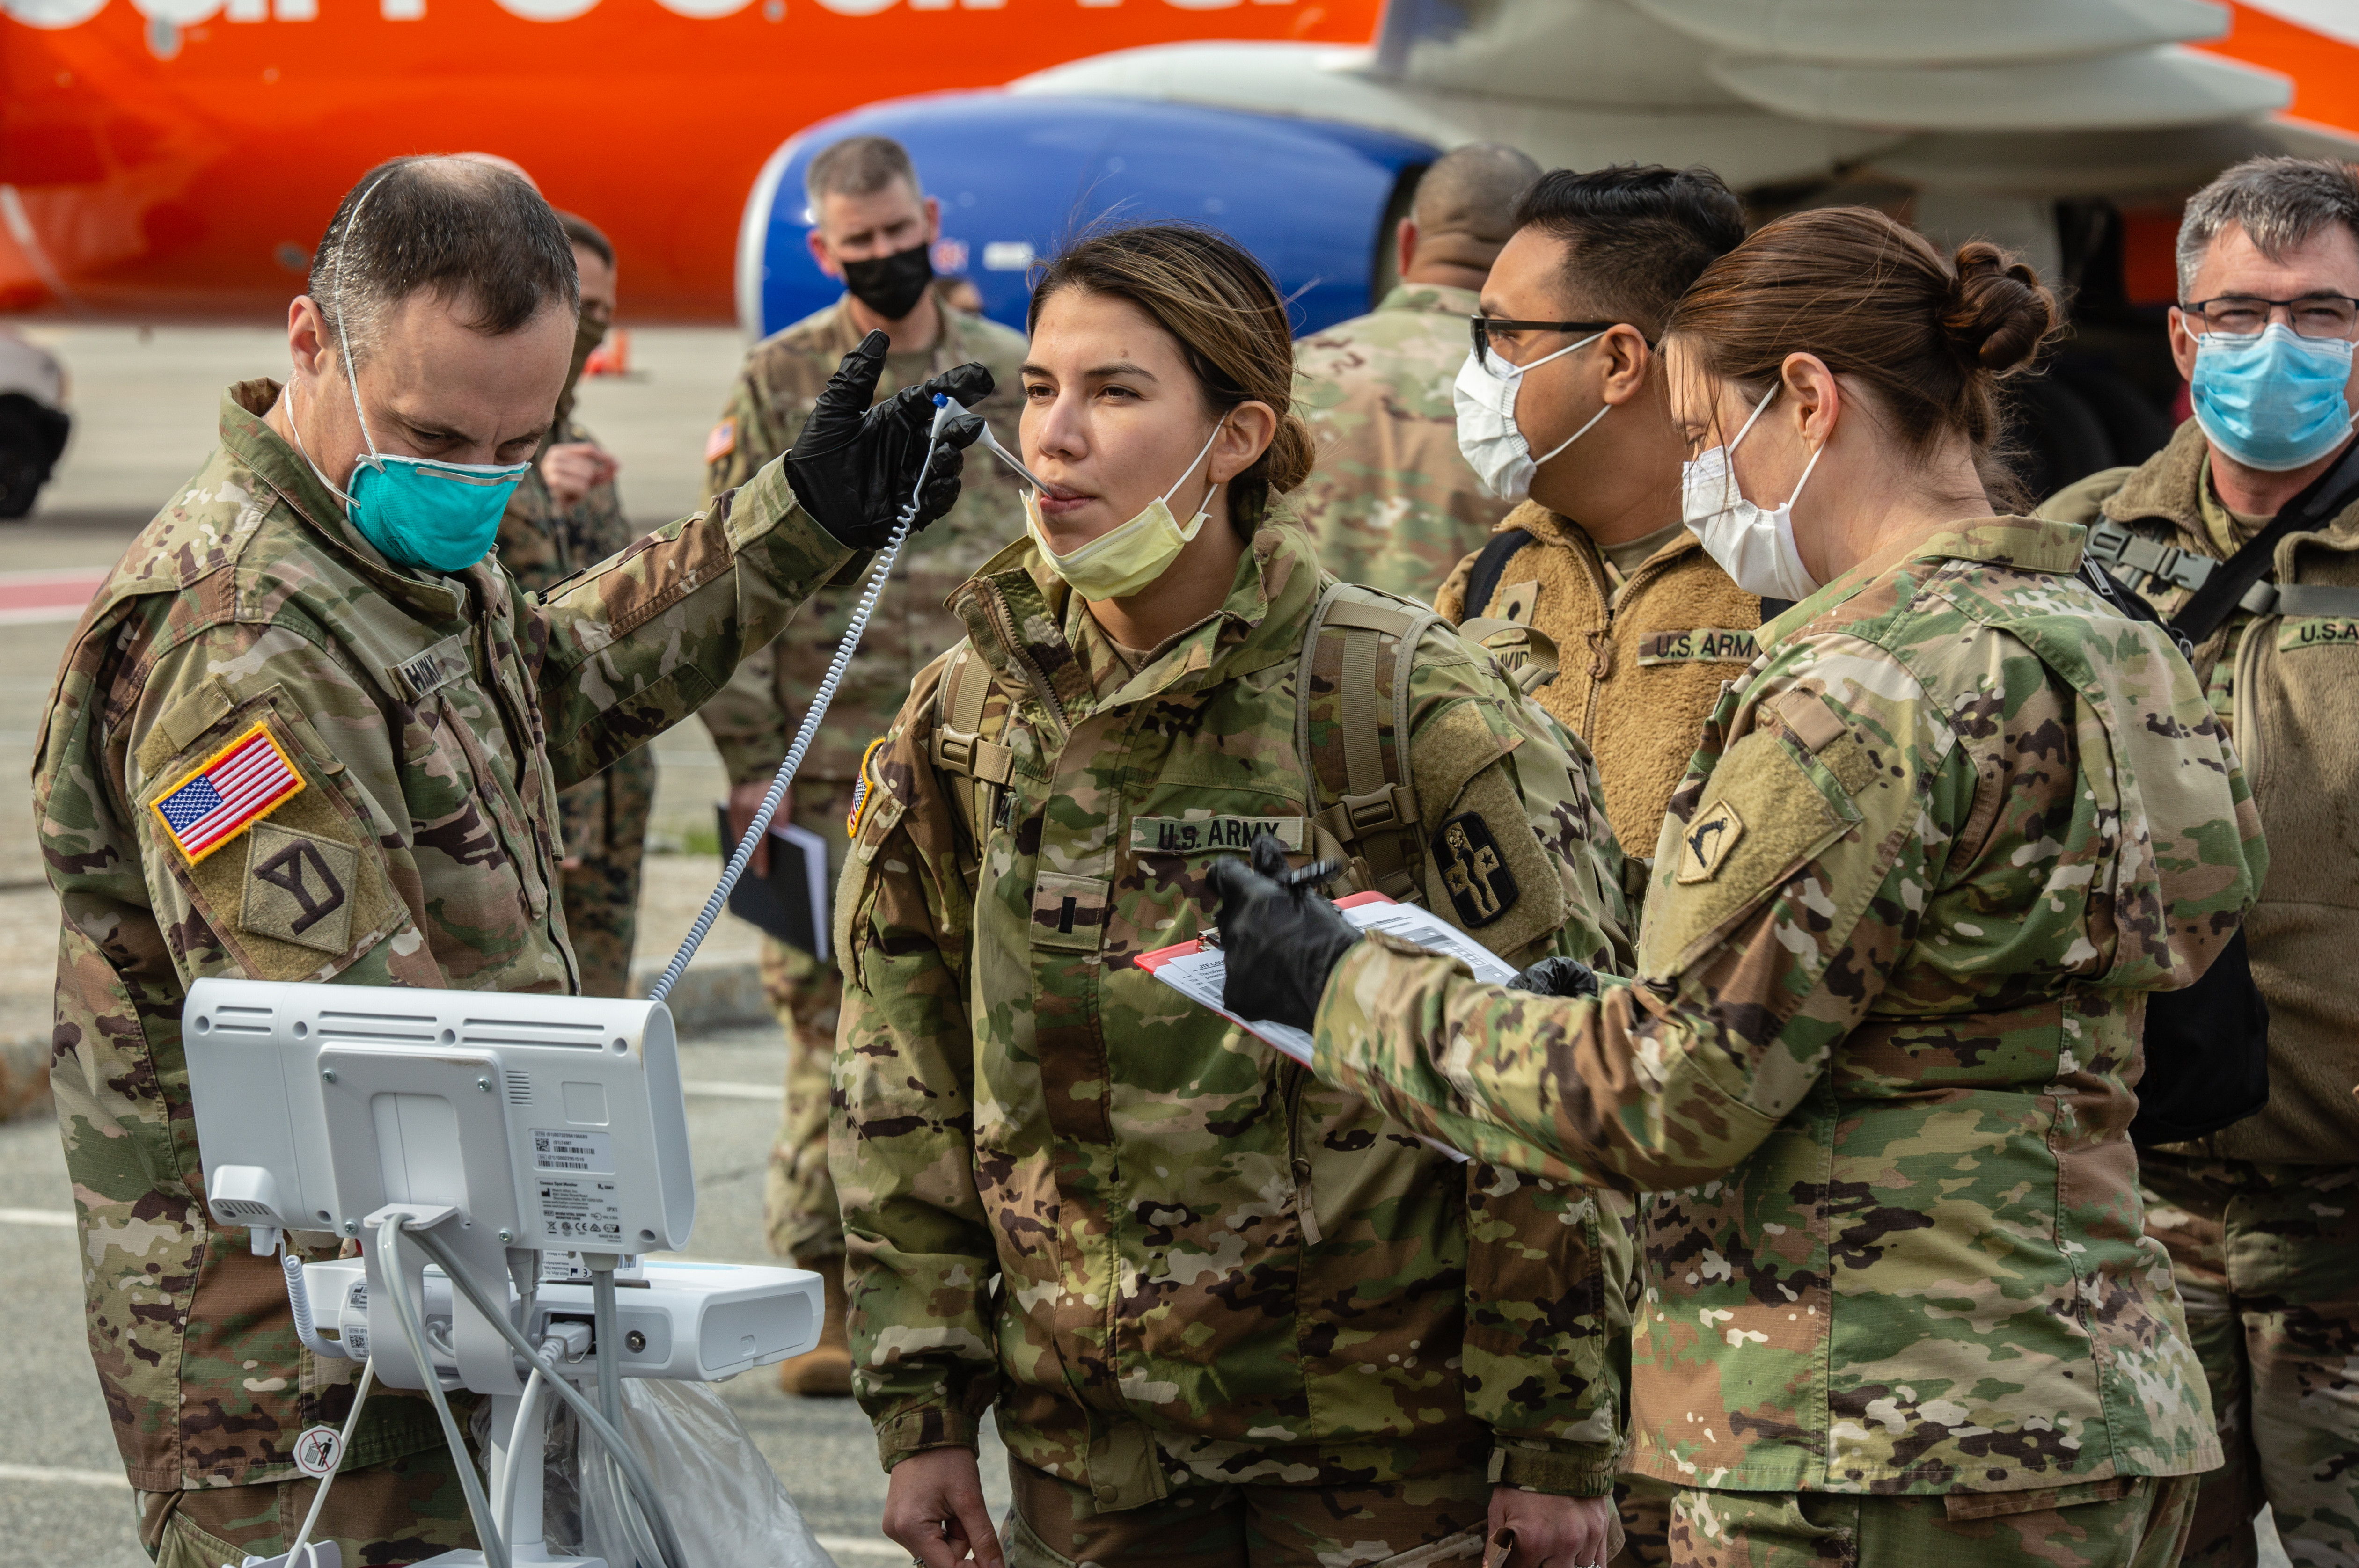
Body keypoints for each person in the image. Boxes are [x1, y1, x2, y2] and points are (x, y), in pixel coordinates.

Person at [1211, 207, 2270, 1568]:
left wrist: (1343, 989)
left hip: (1868, 1431)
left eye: (1712, 436)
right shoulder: (2120, 641)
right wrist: (1629, 997)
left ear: (1812, 400)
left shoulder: (1859, 684)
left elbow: (1672, 1093)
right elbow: (2097, 995)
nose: (1705, 476)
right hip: (2092, 1398)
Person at [34, 155, 985, 1568]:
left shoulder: (374, 551)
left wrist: (802, 521)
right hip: (311, 1388)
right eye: (436, 434)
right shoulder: (240, 648)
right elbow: (367, 1062)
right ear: (311, 341)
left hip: (456, 1316)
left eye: (513, 447)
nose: (476, 483)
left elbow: (560, 681)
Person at [832, 221, 1641, 1568]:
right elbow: (900, 1068)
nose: (1056, 438)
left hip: (1381, 1459)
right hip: (1088, 1457)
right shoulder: (973, 710)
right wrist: (921, 1406)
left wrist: (1556, 1439)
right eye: (1038, 390)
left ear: (1239, 434)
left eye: (1117, 391)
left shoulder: (1406, 704)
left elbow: (1556, 1086)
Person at [2039, 154, 2359, 1568]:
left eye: (2324, 313)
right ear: (2182, 337)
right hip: (2133, 1222)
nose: (2275, 345)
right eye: (2236, 314)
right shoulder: (2074, 550)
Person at [698, 131, 1029, 1398]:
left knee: (987, 1023)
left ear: (930, 221)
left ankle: (982, 1290)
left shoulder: (1003, 371)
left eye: (902, 236)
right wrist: (749, 766)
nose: (886, 259)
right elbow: (731, 575)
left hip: (982, 760)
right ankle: (832, 1288)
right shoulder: (784, 383)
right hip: (828, 771)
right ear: (821, 247)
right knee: (833, 1034)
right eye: (860, 244)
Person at [1434, 165, 1758, 856]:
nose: (1477, 370)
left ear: (1616, 361)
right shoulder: (1489, 578)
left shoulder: (1777, 581)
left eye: (1502, 334)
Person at [493, 209, 649, 998]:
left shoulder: (576, 445)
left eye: (605, 318)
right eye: (578, 309)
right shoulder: (483, 458)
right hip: (542, 806)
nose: (591, 333)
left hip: (608, 799)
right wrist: (530, 495)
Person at [1292, 142, 1540, 598]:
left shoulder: (1290, 372)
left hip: (1296, 666)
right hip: (1472, 666)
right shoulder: (1548, 388)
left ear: (1406, 243)